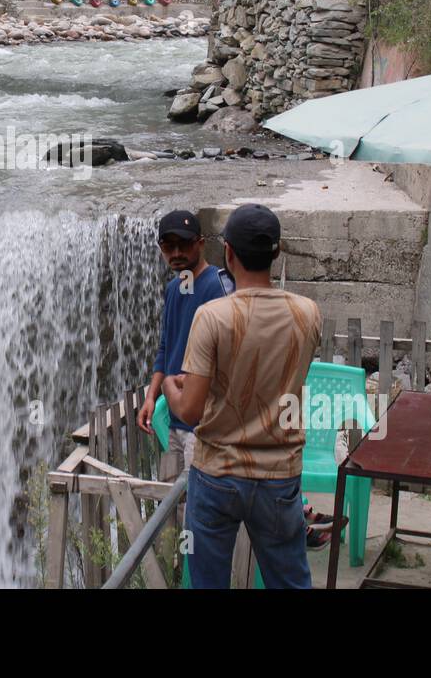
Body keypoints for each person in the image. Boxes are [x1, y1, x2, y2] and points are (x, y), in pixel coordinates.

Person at [162, 204, 321, 589]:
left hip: (218, 473)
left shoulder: (213, 317)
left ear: (227, 254)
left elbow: (191, 409)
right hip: (279, 475)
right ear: (276, 253)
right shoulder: (308, 313)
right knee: (291, 581)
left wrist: (170, 384)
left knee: (208, 582)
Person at [135, 211, 234, 478]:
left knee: (200, 503)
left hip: (205, 426)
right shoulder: (173, 289)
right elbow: (166, 347)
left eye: (185, 245)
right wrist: (151, 398)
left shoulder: (218, 286)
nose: (176, 253)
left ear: (201, 244)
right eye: (169, 247)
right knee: (172, 504)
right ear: (161, 249)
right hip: (174, 420)